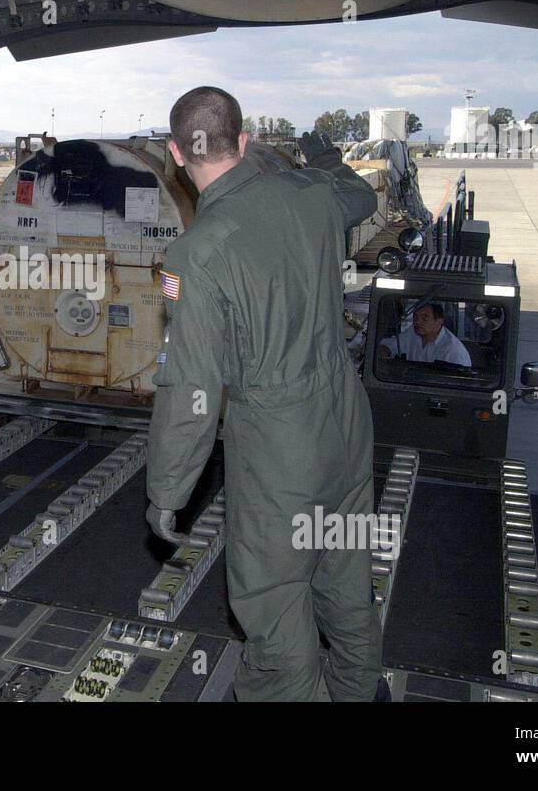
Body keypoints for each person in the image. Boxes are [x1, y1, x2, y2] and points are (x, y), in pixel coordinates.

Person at [145, 87, 384, 702]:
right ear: (244, 140)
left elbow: (192, 388)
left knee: (273, 601)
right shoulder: (312, 195)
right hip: (347, 426)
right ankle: (358, 692)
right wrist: (322, 158)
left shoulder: (193, 255)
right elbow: (361, 195)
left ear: (176, 153)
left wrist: (168, 490)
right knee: (346, 576)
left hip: (280, 449)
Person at [378, 302, 471, 366]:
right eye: (415, 316)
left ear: (439, 322)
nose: (417, 321)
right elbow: (390, 345)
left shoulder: (453, 352)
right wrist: (385, 350)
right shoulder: (412, 333)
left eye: (424, 317)